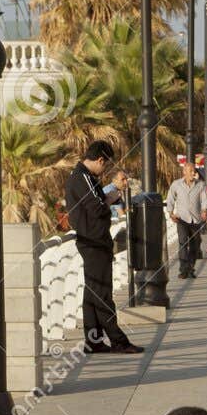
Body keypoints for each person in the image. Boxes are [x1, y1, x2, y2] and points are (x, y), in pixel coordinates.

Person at [63, 140, 142, 355]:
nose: (104, 169)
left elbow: (98, 203)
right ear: (100, 160)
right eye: (105, 164)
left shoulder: (85, 177)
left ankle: (93, 341)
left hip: (94, 241)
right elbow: (97, 208)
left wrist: (110, 196)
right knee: (102, 293)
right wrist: (109, 202)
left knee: (92, 294)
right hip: (93, 242)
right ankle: (118, 340)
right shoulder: (83, 178)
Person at [166, 162, 207, 280]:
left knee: (195, 244)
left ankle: (190, 267)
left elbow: (205, 199)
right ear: (184, 172)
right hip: (181, 219)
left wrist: (204, 210)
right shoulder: (176, 184)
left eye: (194, 171)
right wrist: (170, 213)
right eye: (191, 171)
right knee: (183, 243)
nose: (193, 173)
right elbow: (170, 198)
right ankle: (184, 269)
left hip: (196, 219)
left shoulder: (200, 184)